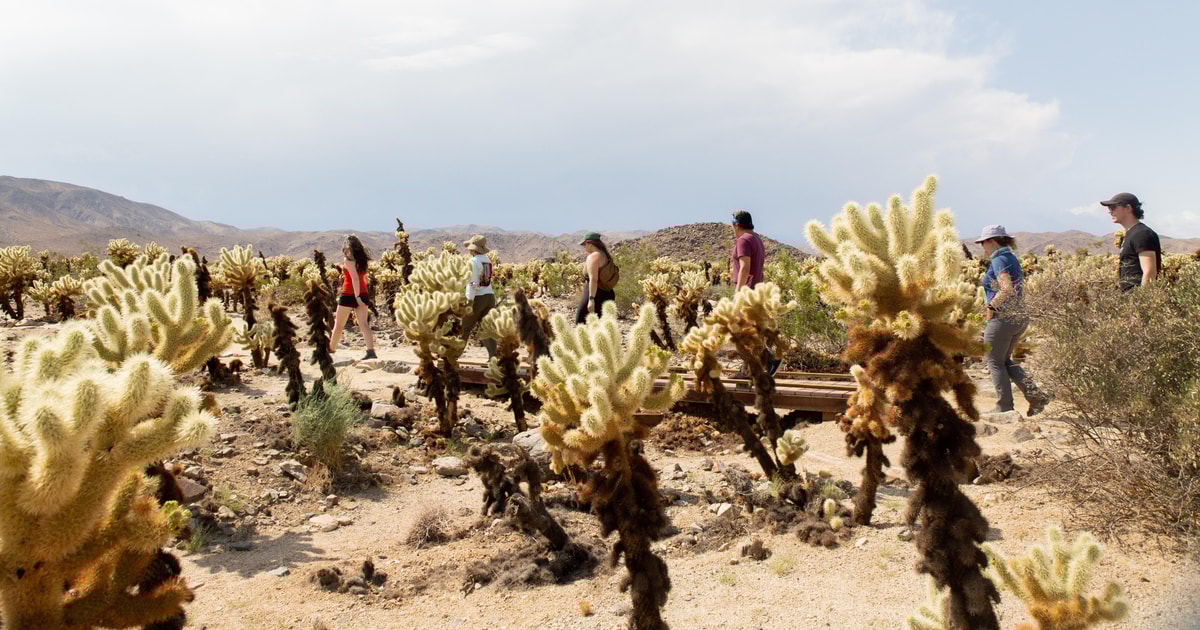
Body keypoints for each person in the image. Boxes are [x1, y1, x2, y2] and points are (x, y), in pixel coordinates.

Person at [975, 225, 1049, 416]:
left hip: (1003, 317)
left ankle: (1004, 407)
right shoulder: (1011, 257)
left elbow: (1006, 288)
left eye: (984, 242)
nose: (983, 247)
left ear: (993, 241)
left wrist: (991, 307)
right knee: (1003, 360)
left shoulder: (999, 259)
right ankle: (1037, 397)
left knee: (994, 361)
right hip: (1018, 316)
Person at [730, 210, 780, 375]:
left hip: (747, 290)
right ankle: (751, 368)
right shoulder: (756, 239)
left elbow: (745, 267)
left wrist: (738, 293)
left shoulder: (743, 240)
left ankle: (762, 362)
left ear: (737, 225)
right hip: (756, 289)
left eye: (733, 225)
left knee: (742, 331)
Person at [328, 235, 377, 360]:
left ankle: (331, 349)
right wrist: (362, 295)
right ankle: (371, 351)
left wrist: (357, 296)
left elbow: (355, 279)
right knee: (363, 324)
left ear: (352, 248)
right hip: (363, 294)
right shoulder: (362, 260)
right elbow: (363, 279)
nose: (345, 252)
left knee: (339, 324)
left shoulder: (348, 261)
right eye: (345, 250)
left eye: (346, 249)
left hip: (350, 295)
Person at [1102, 192, 1161, 291]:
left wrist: (1143, 301)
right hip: (1130, 300)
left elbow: (1150, 271)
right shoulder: (1130, 234)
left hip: (1138, 301)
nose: (1110, 212)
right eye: (1109, 209)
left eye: (1113, 207)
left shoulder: (1142, 234)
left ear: (1128, 208)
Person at [459, 235, 497, 359]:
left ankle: (454, 354)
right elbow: (485, 280)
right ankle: (493, 357)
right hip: (489, 297)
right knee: (486, 328)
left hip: (478, 298)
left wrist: (469, 301)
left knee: (465, 327)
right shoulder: (488, 260)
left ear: (472, 249)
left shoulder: (473, 261)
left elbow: (473, 283)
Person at [575, 233, 618, 323]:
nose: (584, 247)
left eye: (584, 244)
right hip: (608, 294)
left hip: (595, 294)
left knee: (580, 322)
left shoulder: (593, 256)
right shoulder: (604, 255)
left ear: (589, 243)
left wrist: (591, 300)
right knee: (602, 326)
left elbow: (593, 279)